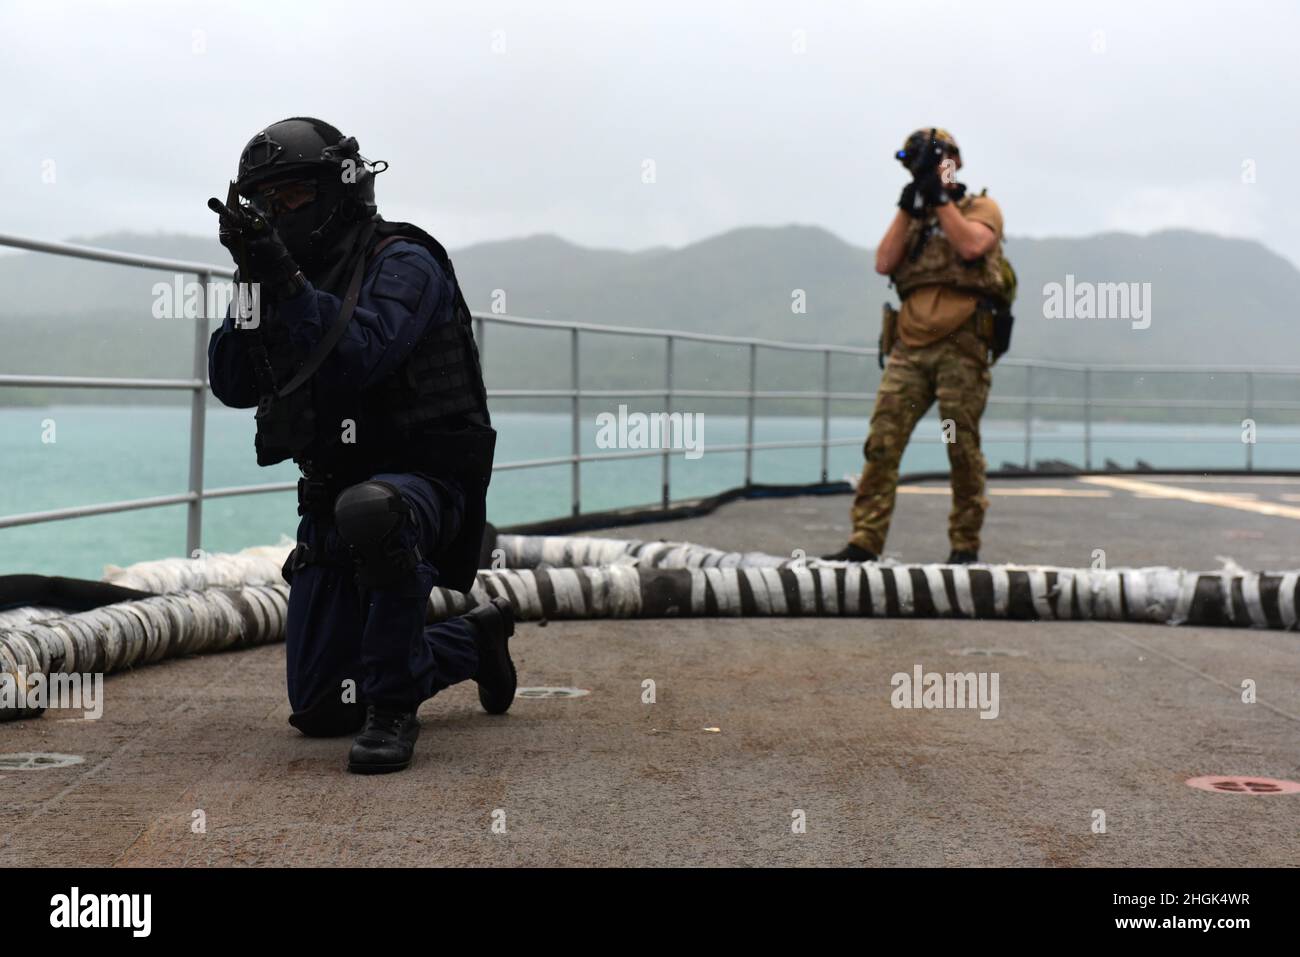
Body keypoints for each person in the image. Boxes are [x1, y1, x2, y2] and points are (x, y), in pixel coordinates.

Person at [207, 117, 516, 774]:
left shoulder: (404, 262)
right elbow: (231, 384)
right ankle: (474, 640)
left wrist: (284, 280)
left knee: (373, 510)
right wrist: (251, 280)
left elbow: (359, 355)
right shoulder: (282, 278)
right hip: (333, 502)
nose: (277, 214)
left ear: (340, 189)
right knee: (322, 706)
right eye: (263, 202)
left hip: (425, 486)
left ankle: (393, 710)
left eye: (292, 196)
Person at [824, 128, 1011, 565]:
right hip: (910, 345)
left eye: (940, 159)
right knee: (883, 442)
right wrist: (909, 204)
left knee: (960, 446)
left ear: (957, 162)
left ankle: (964, 545)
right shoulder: (915, 216)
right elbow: (884, 262)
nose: (934, 167)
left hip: (962, 345)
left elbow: (971, 246)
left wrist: (941, 198)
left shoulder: (980, 208)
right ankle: (864, 541)